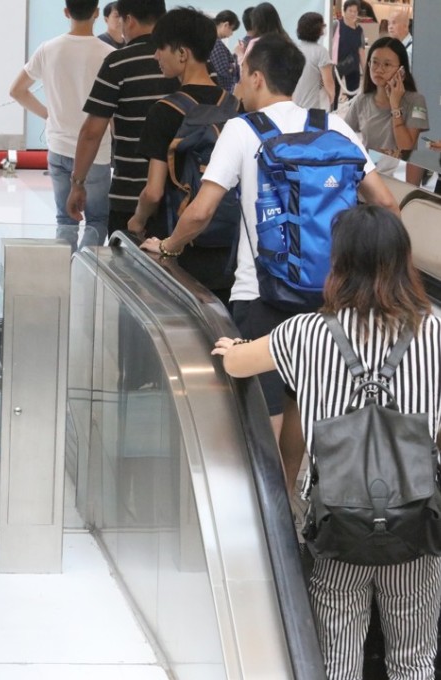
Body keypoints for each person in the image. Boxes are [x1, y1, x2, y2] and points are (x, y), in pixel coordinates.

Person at [139, 34, 398, 491]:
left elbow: (199, 212)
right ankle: (290, 505)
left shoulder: (243, 130)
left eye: (241, 74)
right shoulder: (334, 126)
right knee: (301, 401)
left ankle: (265, 520)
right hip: (330, 294)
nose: (237, 84)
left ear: (257, 77)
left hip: (262, 294)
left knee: (264, 408)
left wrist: (169, 247)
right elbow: (387, 206)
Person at [211, 205, 441, 680]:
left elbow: (237, 366)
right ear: (403, 261)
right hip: (418, 524)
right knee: (414, 658)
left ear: (338, 265)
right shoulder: (435, 333)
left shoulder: (306, 333)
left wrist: (230, 349)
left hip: (336, 524)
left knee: (336, 658)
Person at [128, 7, 237, 304]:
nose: (156, 56)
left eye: (160, 48)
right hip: (229, 246)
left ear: (182, 53)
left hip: (176, 243)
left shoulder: (164, 111)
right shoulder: (236, 107)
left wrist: (136, 222)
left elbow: (152, 192)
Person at [66, 0, 176, 237]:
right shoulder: (191, 62)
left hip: (130, 196)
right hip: (183, 198)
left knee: (125, 271)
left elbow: (92, 132)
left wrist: (78, 184)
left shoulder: (118, 62)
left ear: (130, 20)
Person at [10, 0, 114, 248]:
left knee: (65, 220)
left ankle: (64, 274)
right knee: (97, 220)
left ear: (66, 12)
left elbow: (17, 90)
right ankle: (84, 278)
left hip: (58, 147)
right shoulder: (108, 55)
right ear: (97, 13)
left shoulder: (48, 49)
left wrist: (48, 115)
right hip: (96, 153)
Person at [344, 37, 427, 163]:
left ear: (402, 71)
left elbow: (406, 146)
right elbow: (342, 137)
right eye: (375, 62)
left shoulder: (416, 101)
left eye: (387, 64)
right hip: (369, 172)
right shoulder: (361, 100)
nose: (379, 69)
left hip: (399, 176)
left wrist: (395, 105)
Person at [293, 12, 334, 110]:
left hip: (295, 104)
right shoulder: (321, 51)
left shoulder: (294, 49)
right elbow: (328, 81)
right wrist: (332, 96)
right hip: (315, 105)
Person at [332, 0, 364, 108]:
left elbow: (361, 52)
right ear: (344, 11)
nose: (353, 13)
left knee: (354, 97)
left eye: (355, 11)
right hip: (337, 66)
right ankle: (333, 116)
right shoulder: (337, 25)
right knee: (334, 95)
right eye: (350, 10)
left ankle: (353, 121)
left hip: (353, 67)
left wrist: (365, 72)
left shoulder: (359, 30)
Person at [211, 9, 240, 93]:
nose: (231, 34)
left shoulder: (211, 41)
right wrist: (236, 57)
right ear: (226, 25)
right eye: (232, 29)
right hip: (221, 92)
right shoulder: (216, 44)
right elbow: (225, 71)